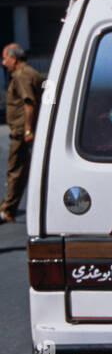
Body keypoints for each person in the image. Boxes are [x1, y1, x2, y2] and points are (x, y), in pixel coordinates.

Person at [3, 43, 42, 224]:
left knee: (15, 170)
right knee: (24, 169)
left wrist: (27, 129)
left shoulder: (21, 76)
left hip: (21, 132)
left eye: (5, 58)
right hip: (25, 130)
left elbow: (29, 102)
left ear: (15, 58)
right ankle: (9, 207)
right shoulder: (31, 72)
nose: (4, 63)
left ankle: (7, 209)